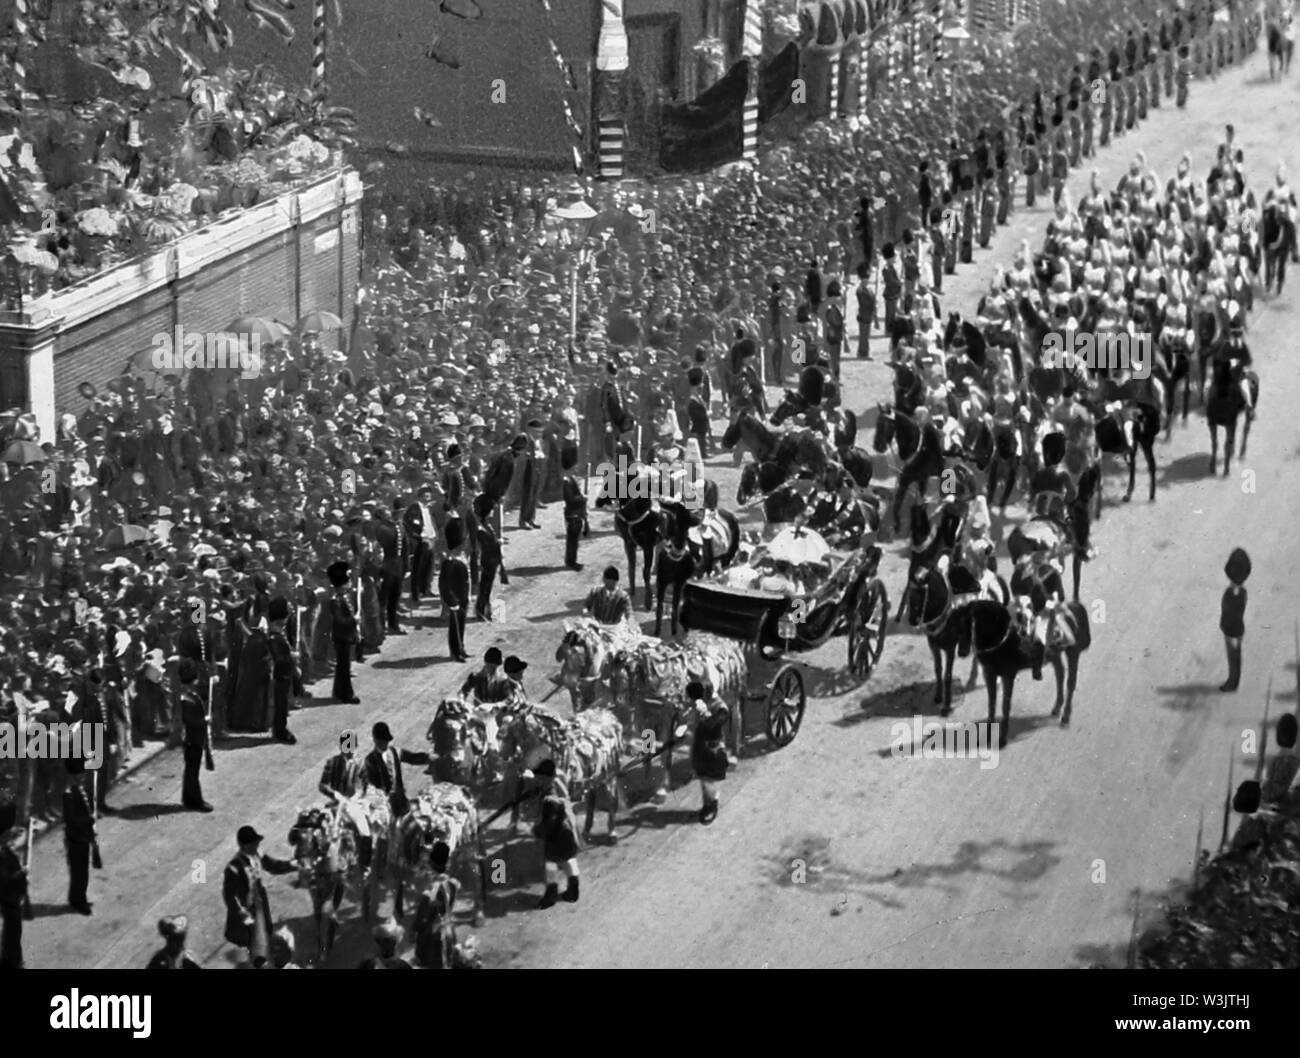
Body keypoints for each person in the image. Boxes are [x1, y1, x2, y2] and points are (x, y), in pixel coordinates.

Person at [222, 825, 296, 968]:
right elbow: (229, 895)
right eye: (253, 843)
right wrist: (241, 913)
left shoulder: (257, 854)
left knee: (262, 938)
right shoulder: (234, 867)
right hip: (248, 909)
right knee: (255, 942)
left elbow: (273, 866)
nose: (257, 845)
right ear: (244, 845)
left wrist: (291, 865)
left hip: (259, 903)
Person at [318, 731, 372, 868]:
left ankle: (365, 864)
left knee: (365, 831)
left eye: (350, 748)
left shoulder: (361, 764)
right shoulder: (332, 762)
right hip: (336, 802)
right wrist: (334, 794)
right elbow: (322, 785)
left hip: (353, 802)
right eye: (345, 748)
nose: (348, 752)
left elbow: (366, 785)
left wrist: (358, 796)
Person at [531, 759, 579, 909]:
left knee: (550, 864)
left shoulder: (550, 799)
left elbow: (550, 821)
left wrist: (537, 831)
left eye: (540, 778)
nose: (538, 780)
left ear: (546, 778)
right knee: (569, 860)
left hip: (557, 835)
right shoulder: (557, 784)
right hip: (567, 831)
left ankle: (551, 895)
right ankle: (573, 890)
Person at [364, 721, 429, 819]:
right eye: (383, 741)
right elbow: (371, 786)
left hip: (401, 800)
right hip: (386, 807)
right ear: (376, 740)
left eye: (387, 741)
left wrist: (428, 758)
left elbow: (412, 758)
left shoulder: (394, 752)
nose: (386, 744)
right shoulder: (370, 761)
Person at [412, 840, 460, 968]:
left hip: (432, 937)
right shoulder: (453, 884)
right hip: (449, 931)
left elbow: (420, 922)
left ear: (431, 864)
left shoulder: (429, 892)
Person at [687, 681, 729, 825]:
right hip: (700, 745)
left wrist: (704, 712)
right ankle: (708, 803)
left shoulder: (721, 707)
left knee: (709, 780)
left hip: (713, 748)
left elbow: (713, 725)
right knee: (703, 777)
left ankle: (711, 805)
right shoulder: (700, 703)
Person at [178, 657, 213, 812]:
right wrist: (205, 719)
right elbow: (191, 720)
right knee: (193, 771)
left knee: (191, 770)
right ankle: (194, 800)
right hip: (193, 739)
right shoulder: (187, 698)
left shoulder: (190, 695)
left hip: (193, 738)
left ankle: (188, 797)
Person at [63, 757, 96, 915]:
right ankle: (79, 900)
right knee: (79, 872)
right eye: (78, 775)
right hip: (75, 838)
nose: (82, 777)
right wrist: (89, 820)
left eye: (82, 774)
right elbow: (71, 820)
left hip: (85, 836)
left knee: (83, 870)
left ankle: (76, 897)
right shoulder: (68, 794)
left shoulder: (84, 791)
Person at [267, 597, 300, 745]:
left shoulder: (279, 633)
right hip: (280, 675)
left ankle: (279, 728)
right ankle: (280, 731)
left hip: (284, 674)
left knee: (283, 704)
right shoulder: (274, 636)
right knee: (281, 706)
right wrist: (292, 657)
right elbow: (279, 659)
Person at [328, 559, 360, 704]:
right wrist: (355, 620)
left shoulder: (344, 597)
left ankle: (338, 691)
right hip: (341, 636)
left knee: (343, 665)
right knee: (344, 666)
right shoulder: (335, 600)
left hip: (347, 635)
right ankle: (347, 694)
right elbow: (340, 620)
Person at [439, 517, 470, 662]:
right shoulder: (450, 561)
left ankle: (461, 647)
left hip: (463, 596)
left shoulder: (460, 556)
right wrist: (452, 601)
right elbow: (444, 586)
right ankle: (455, 651)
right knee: (455, 626)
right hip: (456, 600)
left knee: (461, 623)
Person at [1220, 547, 1250, 692]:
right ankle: (1233, 681)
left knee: (1233, 658)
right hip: (1233, 629)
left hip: (1232, 631)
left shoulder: (1234, 593)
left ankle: (1233, 682)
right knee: (1233, 657)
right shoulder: (1240, 592)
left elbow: (1232, 614)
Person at [403, 485, 439, 607]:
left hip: (431, 539)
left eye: (429, 494)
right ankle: (416, 594)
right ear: (420, 496)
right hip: (421, 541)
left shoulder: (428, 508)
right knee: (418, 568)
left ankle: (426, 589)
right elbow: (410, 524)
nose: (428, 496)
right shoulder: (415, 508)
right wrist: (419, 537)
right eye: (425, 494)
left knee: (429, 567)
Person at [0, 802, 26, 968]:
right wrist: (22, 873)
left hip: (11, 897)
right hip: (8, 898)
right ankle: (13, 961)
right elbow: (5, 880)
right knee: (13, 930)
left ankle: (10, 957)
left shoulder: (4, 848)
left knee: (11, 930)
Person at [560, 444, 586, 572]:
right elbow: (570, 500)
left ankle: (571, 560)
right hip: (572, 513)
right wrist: (582, 498)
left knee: (574, 540)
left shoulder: (571, 479)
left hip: (575, 513)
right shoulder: (567, 481)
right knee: (572, 540)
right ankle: (571, 561)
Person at [854, 262, 875, 360]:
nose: (866, 280)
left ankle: (864, 351)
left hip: (868, 314)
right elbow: (864, 302)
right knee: (863, 335)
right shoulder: (860, 290)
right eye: (865, 279)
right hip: (863, 313)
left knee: (866, 334)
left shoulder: (868, 289)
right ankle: (862, 352)